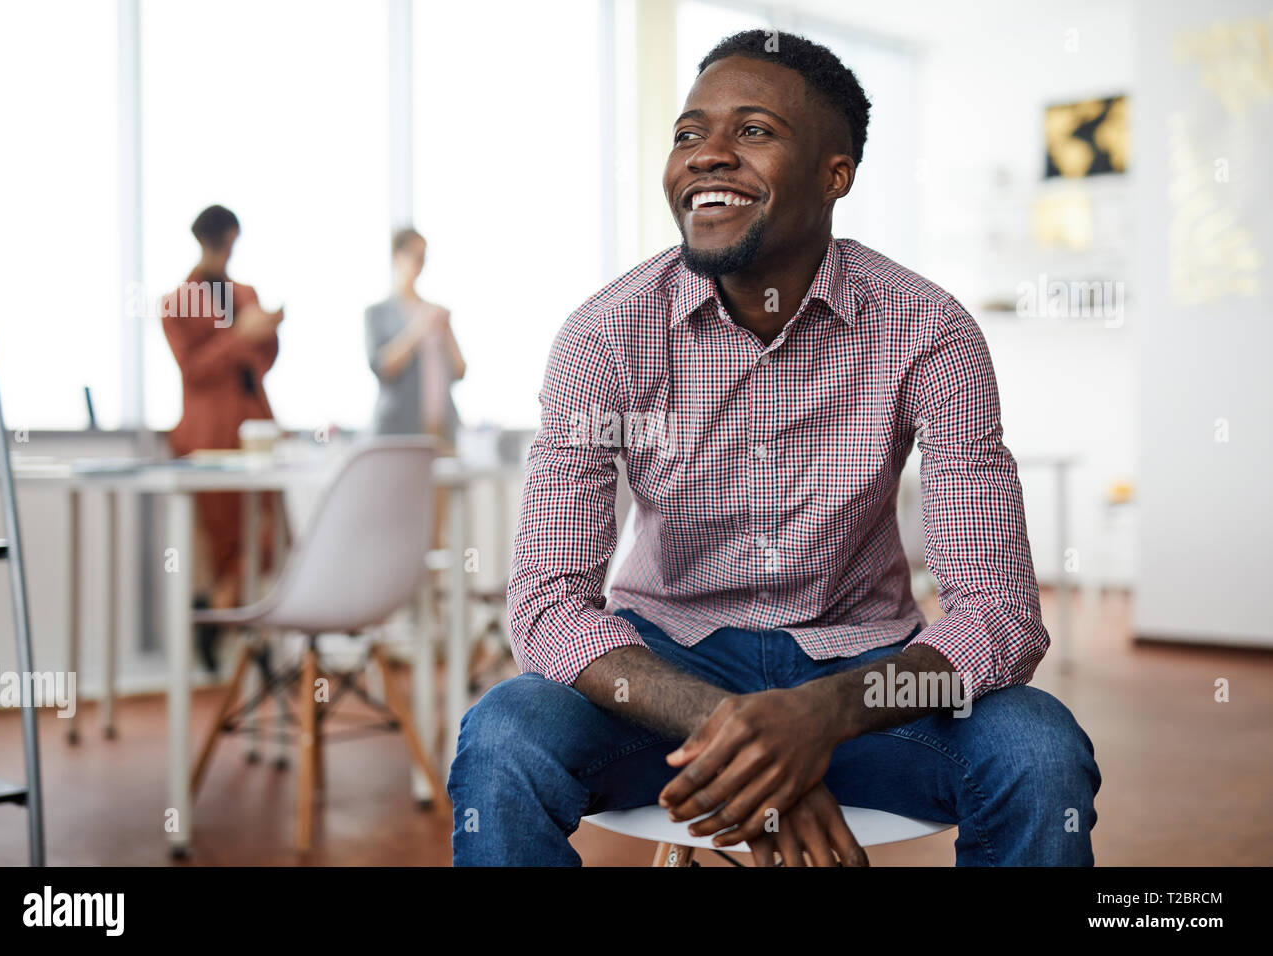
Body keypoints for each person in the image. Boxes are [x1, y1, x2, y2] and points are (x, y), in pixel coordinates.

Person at [449, 31, 1101, 866]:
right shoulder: (604, 335)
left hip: (865, 676)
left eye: (752, 130)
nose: (707, 157)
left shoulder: (928, 330)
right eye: (689, 134)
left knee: (1038, 751)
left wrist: (823, 717)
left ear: (836, 174)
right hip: (661, 677)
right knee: (505, 737)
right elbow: (547, 605)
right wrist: (747, 736)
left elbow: (1000, 614)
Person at [161, 205, 283, 672]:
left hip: (257, 429)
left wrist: (267, 331)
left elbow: (263, 361)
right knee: (227, 539)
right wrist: (238, 336)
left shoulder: (246, 293)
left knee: (268, 533)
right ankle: (236, 624)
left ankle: (218, 608)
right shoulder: (178, 301)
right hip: (210, 435)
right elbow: (194, 369)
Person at [365, 227, 466, 446]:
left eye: (424, 256)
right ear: (397, 256)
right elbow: (382, 367)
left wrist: (447, 333)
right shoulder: (378, 313)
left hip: (441, 428)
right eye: (415, 255)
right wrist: (418, 330)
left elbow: (460, 370)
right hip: (399, 430)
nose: (420, 262)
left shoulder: (436, 312)